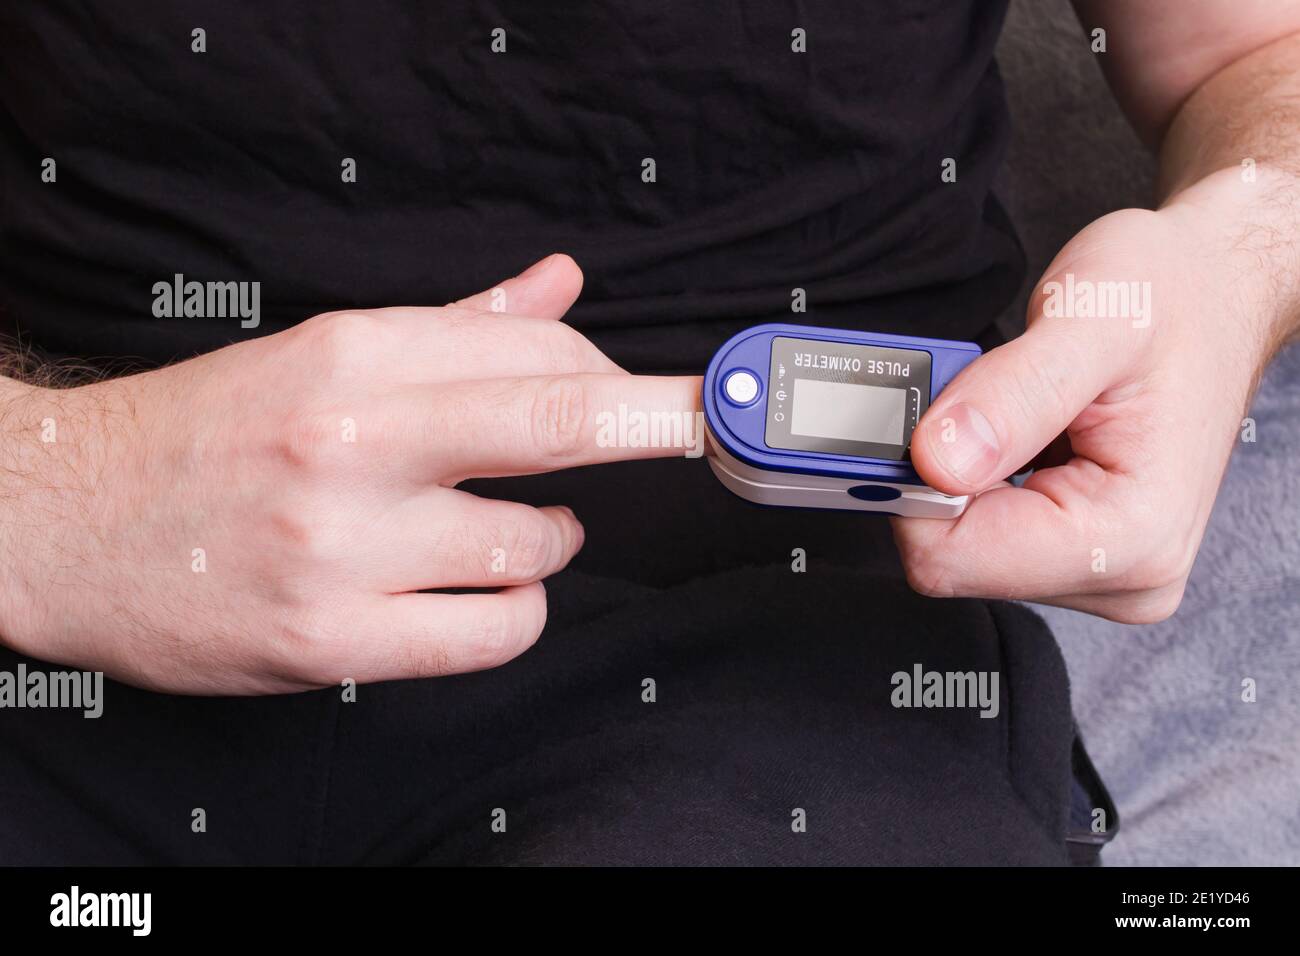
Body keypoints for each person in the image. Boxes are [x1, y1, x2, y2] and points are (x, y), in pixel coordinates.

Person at [0, 1, 1297, 864]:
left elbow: (1253, 52)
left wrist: (1234, 260)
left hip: (774, 635)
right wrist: (59, 496)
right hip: (69, 548)